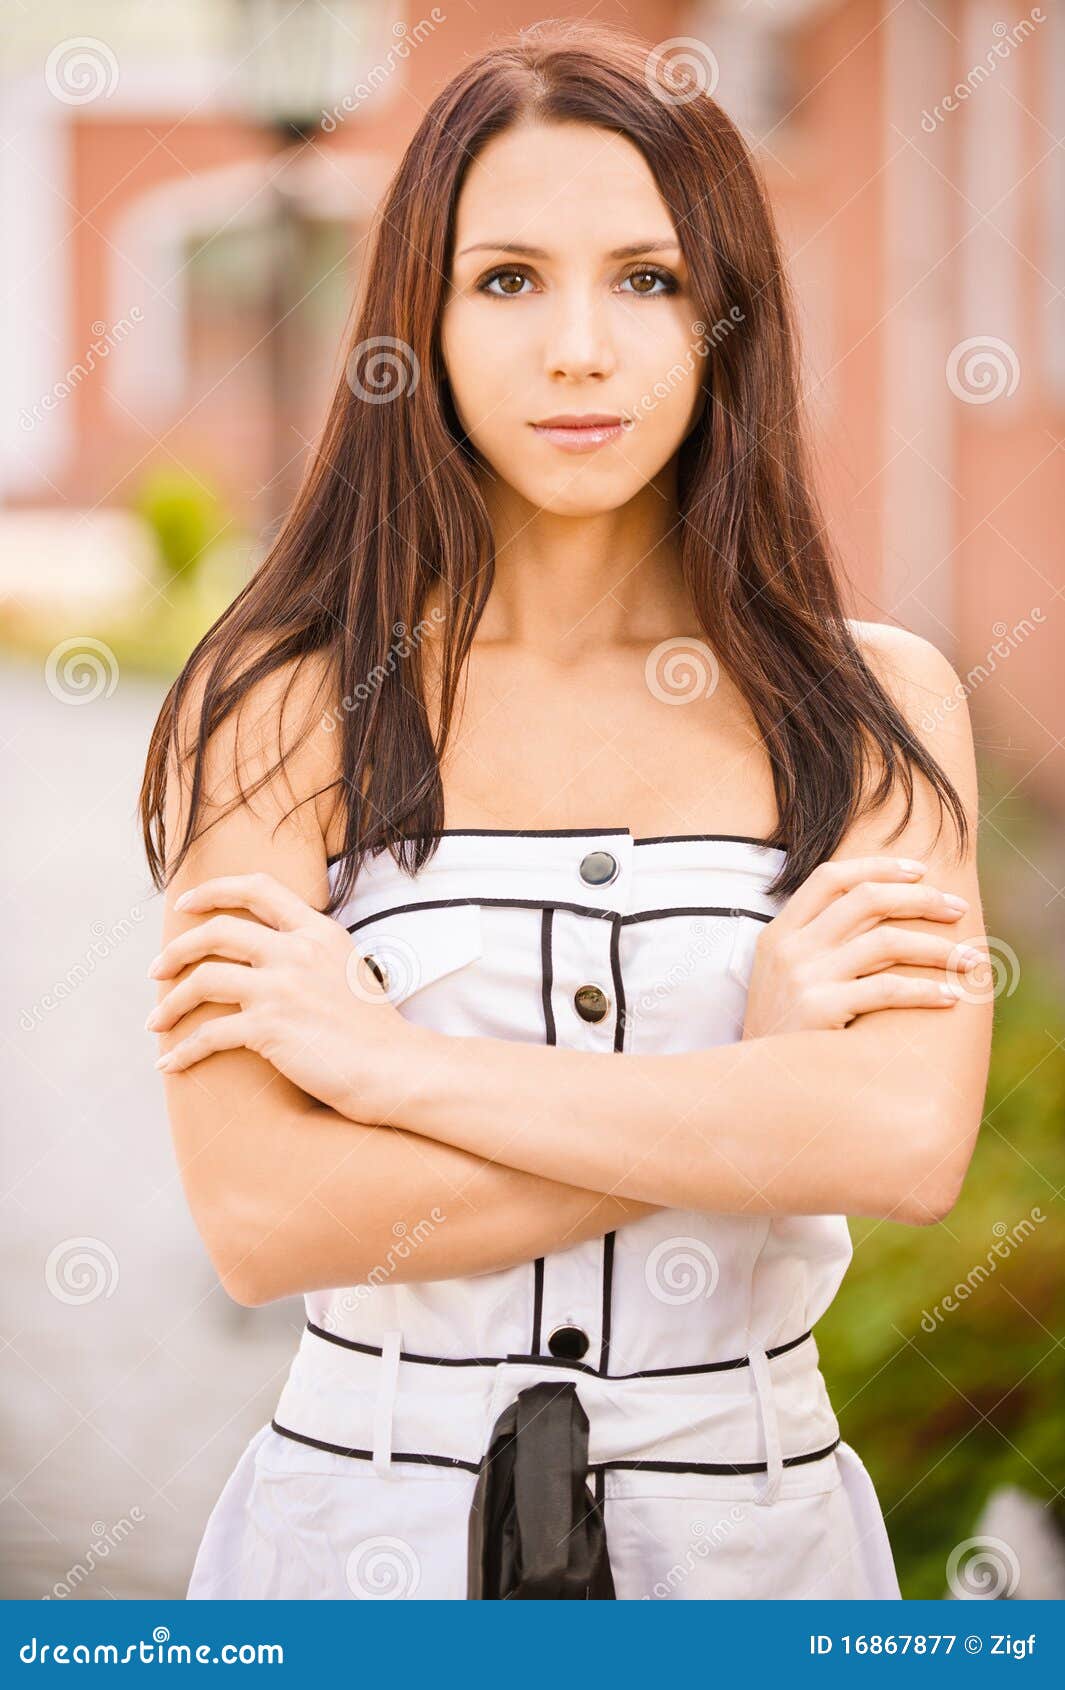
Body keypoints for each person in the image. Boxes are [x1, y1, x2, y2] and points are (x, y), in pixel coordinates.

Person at [140, 20, 992, 1600]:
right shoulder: (281, 703)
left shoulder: (875, 702)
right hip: (359, 1545)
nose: (579, 349)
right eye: (508, 278)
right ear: (421, 321)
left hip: (760, 1550)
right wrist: (752, 1090)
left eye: (648, 279)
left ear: (723, 316)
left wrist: (390, 1069)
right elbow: (265, 1217)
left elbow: (897, 1137)